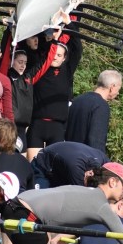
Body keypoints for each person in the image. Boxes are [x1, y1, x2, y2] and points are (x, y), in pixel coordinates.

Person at [25, 27, 84, 161]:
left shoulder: (67, 71)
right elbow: (34, 49)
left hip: (57, 126)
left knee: (54, 167)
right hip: (37, 124)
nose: (55, 58)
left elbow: (78, 50)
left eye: (59, 55)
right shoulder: (39, 69)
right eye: (54, 54)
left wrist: (70, 25)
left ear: (64, 58)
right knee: (34, 165)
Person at [65, 69, 123, 153]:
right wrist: (98, 161)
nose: (118, 93)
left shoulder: (77, 100)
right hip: (84, 158)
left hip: (68, 154)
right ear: (112, 87)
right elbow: (96, 140)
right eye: (118, 88)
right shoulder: (100, 106)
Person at [31, 141, 109, 189]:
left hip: (62, 172)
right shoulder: (76, 169)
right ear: (90, 173)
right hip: (43, 166)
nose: (85, 186)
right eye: (86, 184)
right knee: (38, 198)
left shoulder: (103, 161)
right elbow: (79, 198)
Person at [8, 50, 33, 147]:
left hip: (23, 126)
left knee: (22, 156)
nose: (23, 65)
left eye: (25, 63)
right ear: (12, 61)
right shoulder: (7, 77)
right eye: (20, 62)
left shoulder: (27, 78)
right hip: (10, 125)